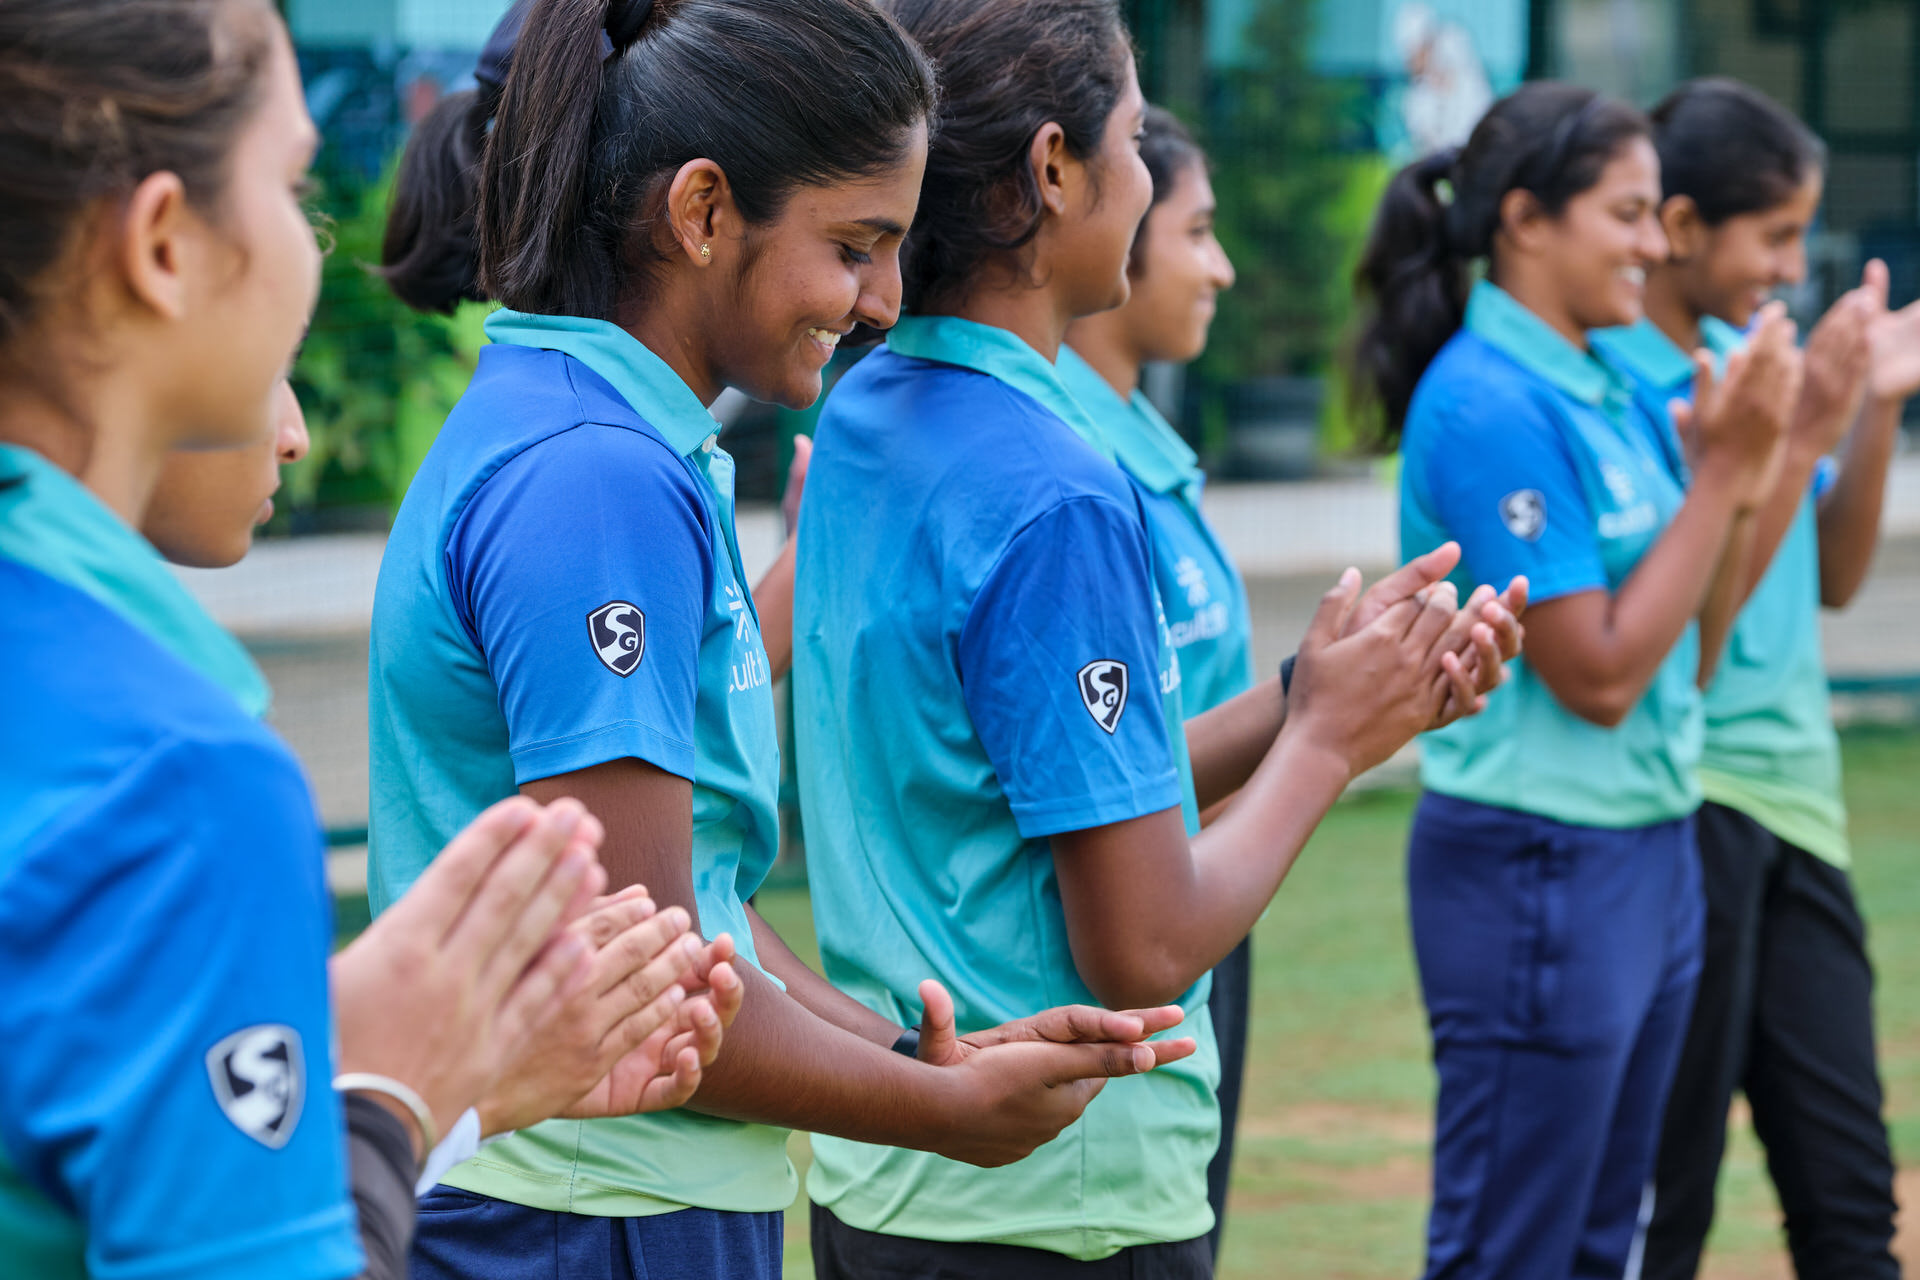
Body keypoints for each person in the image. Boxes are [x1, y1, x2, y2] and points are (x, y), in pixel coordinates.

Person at [366, 3, 1193, 1277]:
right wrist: (937, 1111)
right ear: (702, 213)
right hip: (587, 1213)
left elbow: (705, 908)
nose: (884, 302)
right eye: (856, 246)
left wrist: (910, 1053)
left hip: (614, 1200)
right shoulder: (598, 476)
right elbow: (649, 983)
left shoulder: (615, 437)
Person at [795, 2, 1522, 1275]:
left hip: (893, 1179)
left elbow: (1043, 790)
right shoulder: (1055, 487)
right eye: (1134, 142)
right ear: (1053, 168)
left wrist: (1311, 691)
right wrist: (1328, 747)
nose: (1142, 180)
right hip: (1056, 1200)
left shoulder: (869, 413)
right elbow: (1142, 944)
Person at [0, 3, 723, 1277]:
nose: (319, 238)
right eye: (292, 188)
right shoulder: (175, 786)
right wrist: (391, 1097)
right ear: (163, 245)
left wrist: (416, 1076)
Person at [1348, 80, 1806, 1278]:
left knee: (1608, 1240)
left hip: (1649, 848)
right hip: (1538, 859)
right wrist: (1724, 479)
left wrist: (1749, 472)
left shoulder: (1608, 386)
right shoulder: (1488, 401)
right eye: (1628, 213)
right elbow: (1597, 676)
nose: (1656, 244)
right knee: (1515, 1246)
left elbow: (1690, 650)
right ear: (1525, 219)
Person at [1589, 77, 1920, 1280]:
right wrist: (1801, 431)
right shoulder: (1616, 387)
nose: (1792, 264)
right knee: (1662, 1206)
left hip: (1799, 810)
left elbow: (1832, 573)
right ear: (1680, 227)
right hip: (1688, 806)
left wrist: (1869, 409)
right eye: (1774, 234)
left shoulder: (1758, 360)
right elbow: (1696, 622)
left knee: (1852, 1207)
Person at [1055, 105, 1249, 1260]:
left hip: (1204, 890)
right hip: (1139, 917)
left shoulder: (1142, 454)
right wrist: (1321, 721)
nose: (1220, 269)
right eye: (1199, 230)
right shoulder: (1071, 478)